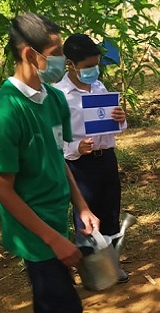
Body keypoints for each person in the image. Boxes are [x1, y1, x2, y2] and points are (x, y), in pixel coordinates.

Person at [0, 13, 109, 313]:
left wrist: (81, 205)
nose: (59, 61)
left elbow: (58, 158)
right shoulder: (5, 112)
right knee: (61, 306)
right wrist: (53, 240)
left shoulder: (52, 99)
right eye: (54, 53)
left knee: (57, 305)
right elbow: (4, 189)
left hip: (56, 217)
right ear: (28, 53)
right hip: (32, 228)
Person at [54, 34, 129, 282]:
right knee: (86, 220)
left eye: (95, 66)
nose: (92, 71)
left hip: (106, 159)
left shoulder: (99, 88)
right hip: (79, 166)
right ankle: (92, 273)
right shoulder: (60, 95)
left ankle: (111, 266)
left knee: (110, 213)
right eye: (87, 67)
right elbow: (56, 141)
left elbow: (111, 126)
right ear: (71, 64)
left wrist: (120, 119)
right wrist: (76, 148)